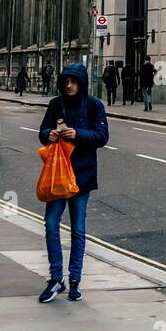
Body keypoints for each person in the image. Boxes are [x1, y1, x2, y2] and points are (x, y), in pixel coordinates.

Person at [37, 62, 108, 304]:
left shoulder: (94, 105)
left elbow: (102, 137)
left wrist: (77, 134)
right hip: (58, 176)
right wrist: (50, 134)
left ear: (82, 83)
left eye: (73, 81)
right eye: (66, 81)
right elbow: (42, 131)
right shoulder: (56, 104)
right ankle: (56, 278)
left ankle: (75, 280)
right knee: (50, 223)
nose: (69, 85)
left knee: (78, 229)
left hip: (82, 177)